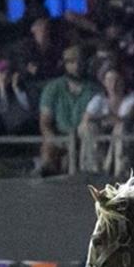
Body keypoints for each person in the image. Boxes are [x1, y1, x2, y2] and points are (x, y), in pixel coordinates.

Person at [38, 45, 99, 175]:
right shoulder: (52, 88)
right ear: (65, 64)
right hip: (60, 137)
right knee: (48, 149)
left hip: (86, 137)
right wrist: (54, 139)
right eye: (71, 62)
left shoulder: (95, 89)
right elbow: (45, 122)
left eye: (79, 62)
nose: (76, 66)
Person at [78, 65, 134, 177]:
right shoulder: (98, 99)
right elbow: (86, 119)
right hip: (104, 138)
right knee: (88, 127)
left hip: (130, 140)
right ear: (104, 83)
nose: (113, 84)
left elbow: (126, 120)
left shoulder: (133, 98)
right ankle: (95, 169)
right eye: (110, 80)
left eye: (117, 80)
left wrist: (103, 119)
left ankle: (121, 171)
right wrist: (108, 120)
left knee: (120, 128)